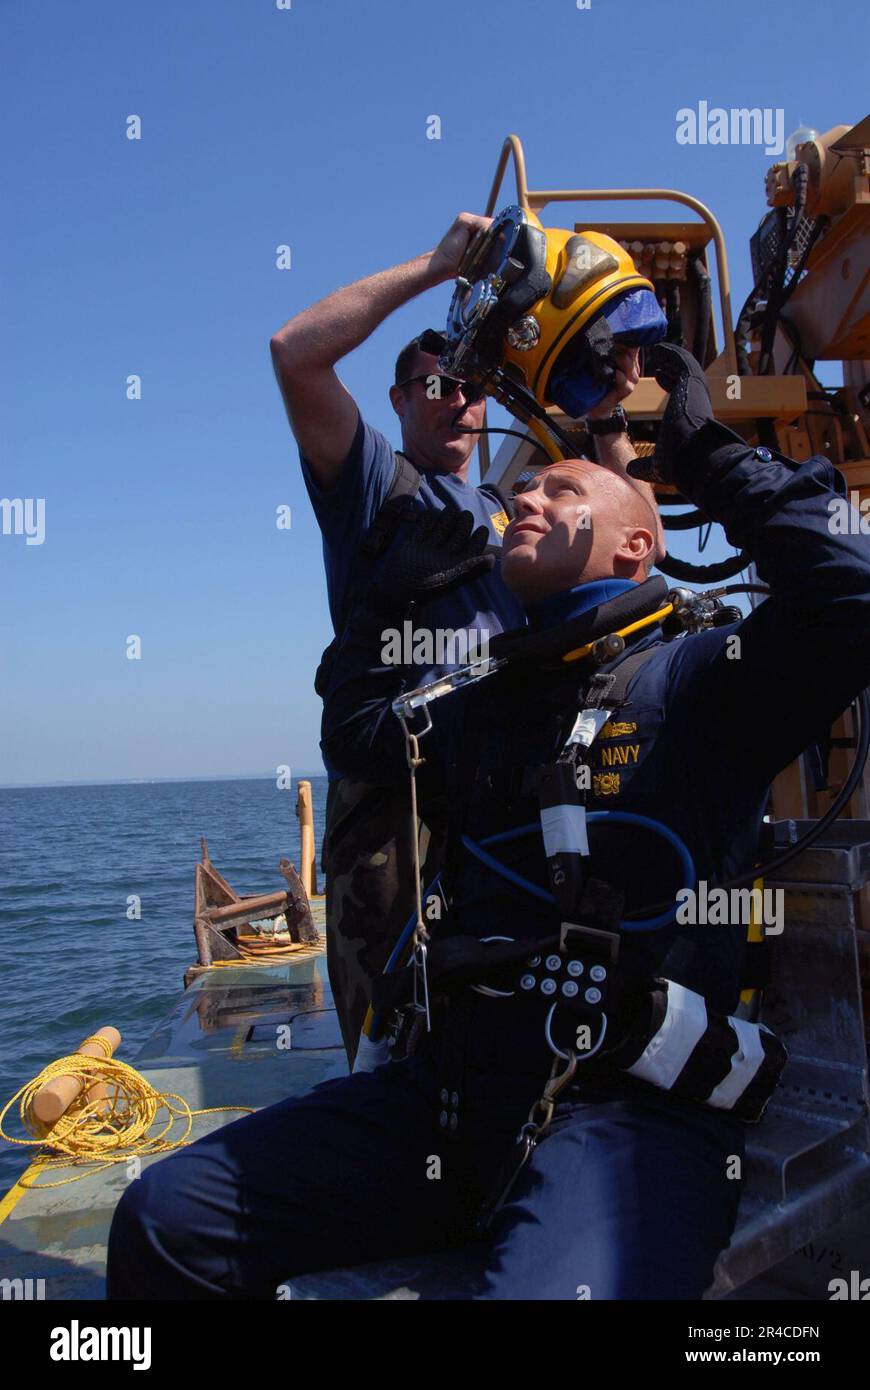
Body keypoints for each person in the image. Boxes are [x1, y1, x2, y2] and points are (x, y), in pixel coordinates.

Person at [108, 347, 869, 1300]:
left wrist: (707, 452)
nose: (525, 500)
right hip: (447, 1100)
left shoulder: (706, 678)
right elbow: (356, 740)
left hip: (623, 1115)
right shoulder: (479, 697)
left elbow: (852, 589)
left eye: (561, 490)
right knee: (162, 1221)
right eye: (523, 491)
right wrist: (385, 592)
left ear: (638, 547)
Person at [269, 213, 640, 1065]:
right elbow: (294, 352)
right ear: (398, 401)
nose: (457, 402)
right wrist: (440, 269)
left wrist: (609, 410)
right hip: (399, 799)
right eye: (434, 387)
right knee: (389, 1032)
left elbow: (627, 533)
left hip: (504, 789)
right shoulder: (374, 485)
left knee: (500, 1009)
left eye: (468, 387)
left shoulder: (518, 509)